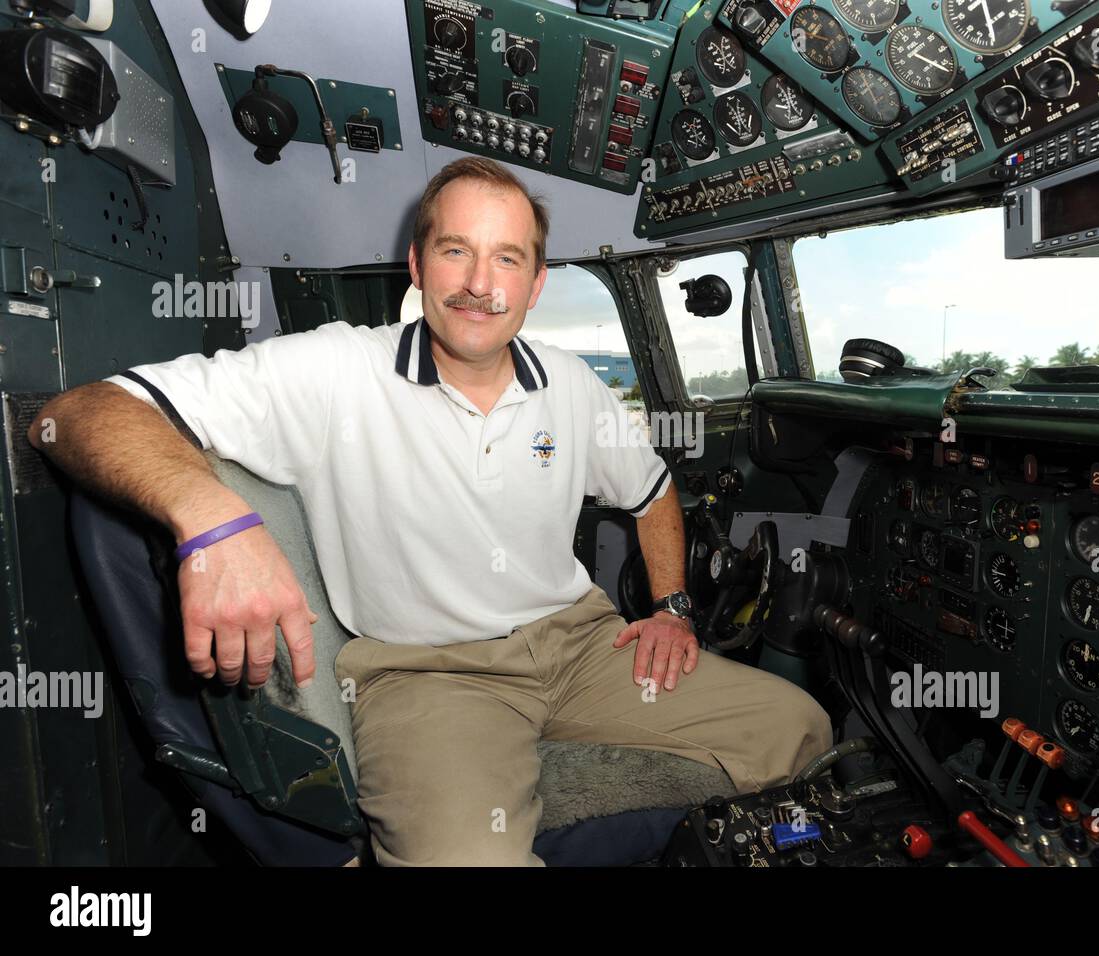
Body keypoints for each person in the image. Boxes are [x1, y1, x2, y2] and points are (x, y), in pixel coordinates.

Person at [29, 157, 833, 865]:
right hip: (427, 674)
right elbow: (75, 413)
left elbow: (653, 491)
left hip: (582, 647)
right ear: (418, 264)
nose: (482, 284)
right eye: (457, 251)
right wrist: (210, 515)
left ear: (535, 281)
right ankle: (485, 791)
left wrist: (673, 608)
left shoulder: (572, 381)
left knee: (800, 729)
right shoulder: (337, 369)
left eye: (507, 258)